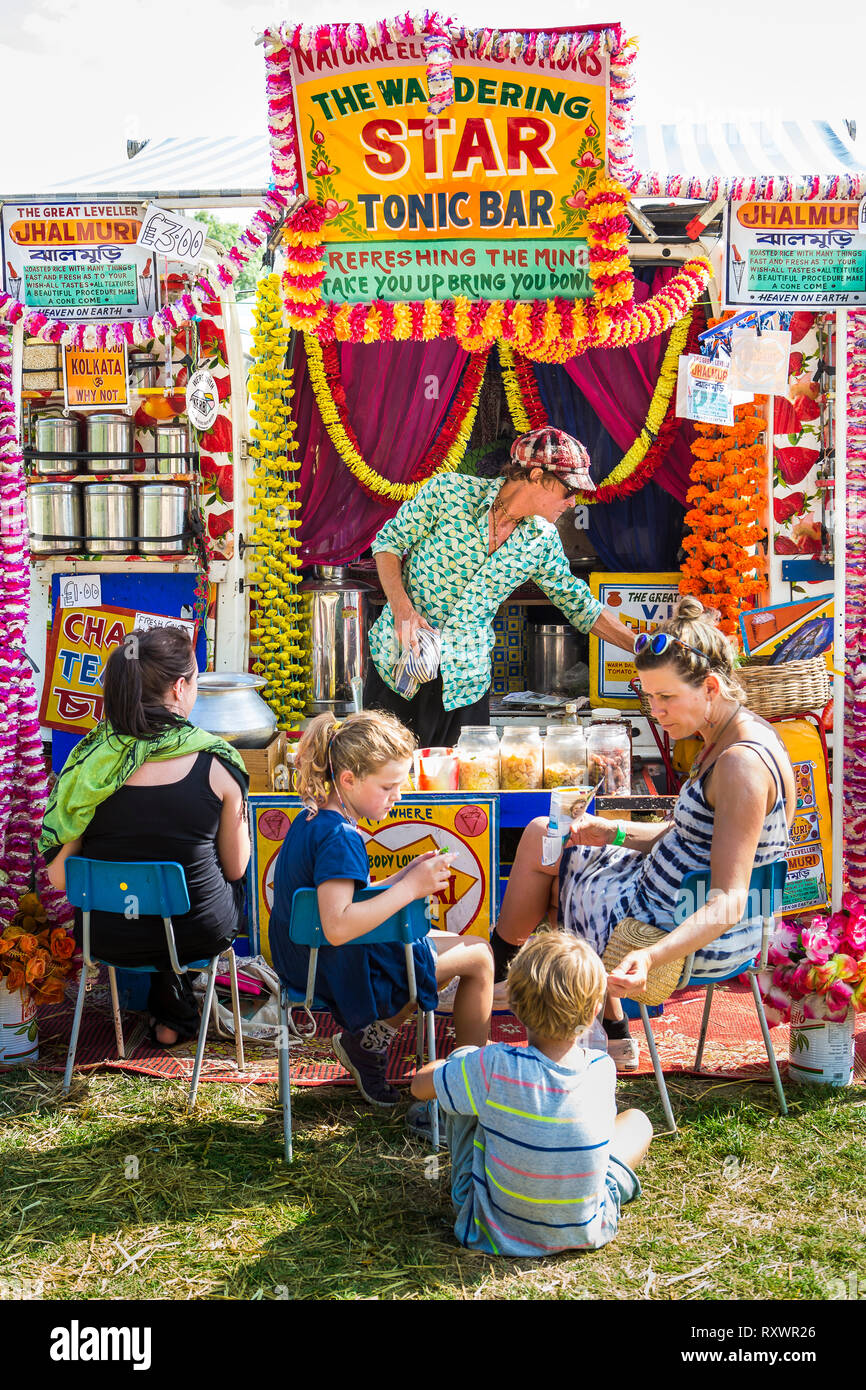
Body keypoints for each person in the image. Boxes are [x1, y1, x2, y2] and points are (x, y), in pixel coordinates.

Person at [490, 596, 795, 1071]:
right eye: (648, 696)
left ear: (711, 687)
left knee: (543, 841)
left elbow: (730, 900)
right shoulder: (737, 736)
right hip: (675, 902)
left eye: (666, 697)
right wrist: (611, 831)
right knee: (563, 843)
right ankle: (594, 1020)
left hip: (679, 931)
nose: (655, 710)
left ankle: (501, 975)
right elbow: (689, 838)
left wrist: (651, 957)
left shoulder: (740, 766)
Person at [268, 710, 494, 1109]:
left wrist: (398, 879)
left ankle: (366, 1046)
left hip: (307, 959)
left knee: (431, 951)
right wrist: (411, 887)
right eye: (389, 786)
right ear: (349, 779)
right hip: (333, 966)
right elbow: (338, 926)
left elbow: (340, 903)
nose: (399, 796)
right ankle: (474, 1082)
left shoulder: (313, 818)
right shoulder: (341, 837)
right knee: (478, 956)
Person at [41, 627, 251, 1047]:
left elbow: (60, 878)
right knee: (225, 879)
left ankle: (167, 999)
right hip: (196, 933)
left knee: (152, 878)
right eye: (194, 679)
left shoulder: (89, 766)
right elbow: (235, 866)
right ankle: (175, 996)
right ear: (179, 688)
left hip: (108, 935)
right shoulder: (218, 764)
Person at [364, 427, 636, 748]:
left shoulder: (541, 540)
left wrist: (641, 647)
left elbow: (580, 606)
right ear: (537, 475)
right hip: (398, 670)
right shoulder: (449, 493)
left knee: (466, 793)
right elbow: (388, 543)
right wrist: (402, 610)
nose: (573, 502)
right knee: (385, 781)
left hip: (465, 686)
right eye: (568, 490)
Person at [410, 932, 651, 1256]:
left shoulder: (493, 1066)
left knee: (464, 1059)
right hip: (586, 1227)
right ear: (596, 1009)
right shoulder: (602, 1067)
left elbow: (418, 1087)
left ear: (516, 1007)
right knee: (638, 1121)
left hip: (487, 1227)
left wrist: (456, 1062)